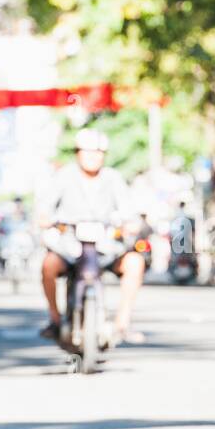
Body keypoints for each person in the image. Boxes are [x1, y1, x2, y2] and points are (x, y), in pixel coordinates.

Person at [36, 129, 146, 342]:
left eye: (98, 152)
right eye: (87, 152)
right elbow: (44, 208)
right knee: (48, 265)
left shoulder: (113, 178)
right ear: (78, 153)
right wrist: (45, 219)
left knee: (135, 262)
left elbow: (129, 212)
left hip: (105, 248)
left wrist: (131, 224)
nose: (93, 157)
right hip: (70, 247)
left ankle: (122, 323)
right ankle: (55, 319)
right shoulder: (64, 176)